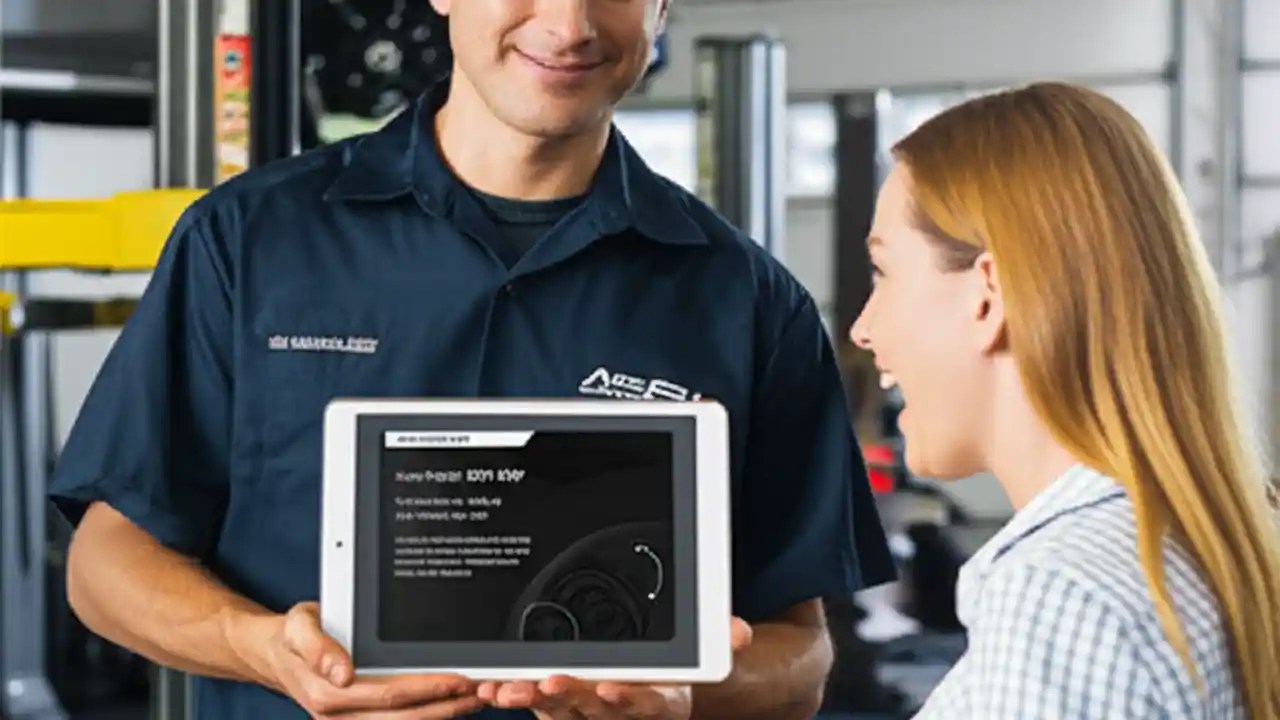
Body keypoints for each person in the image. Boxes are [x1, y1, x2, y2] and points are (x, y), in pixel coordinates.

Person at [48, 1, 894, 719]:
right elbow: (105, 562)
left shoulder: (748, 301)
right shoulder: (248, 241)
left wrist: (684, 697)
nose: (568, 26)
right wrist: (261, 648)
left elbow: (800, 653)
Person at [850, 81, 1280, 718]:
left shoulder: (1060, 598)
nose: (863, 329)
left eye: (884, 273)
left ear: (988, 296)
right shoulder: (1210, 550)